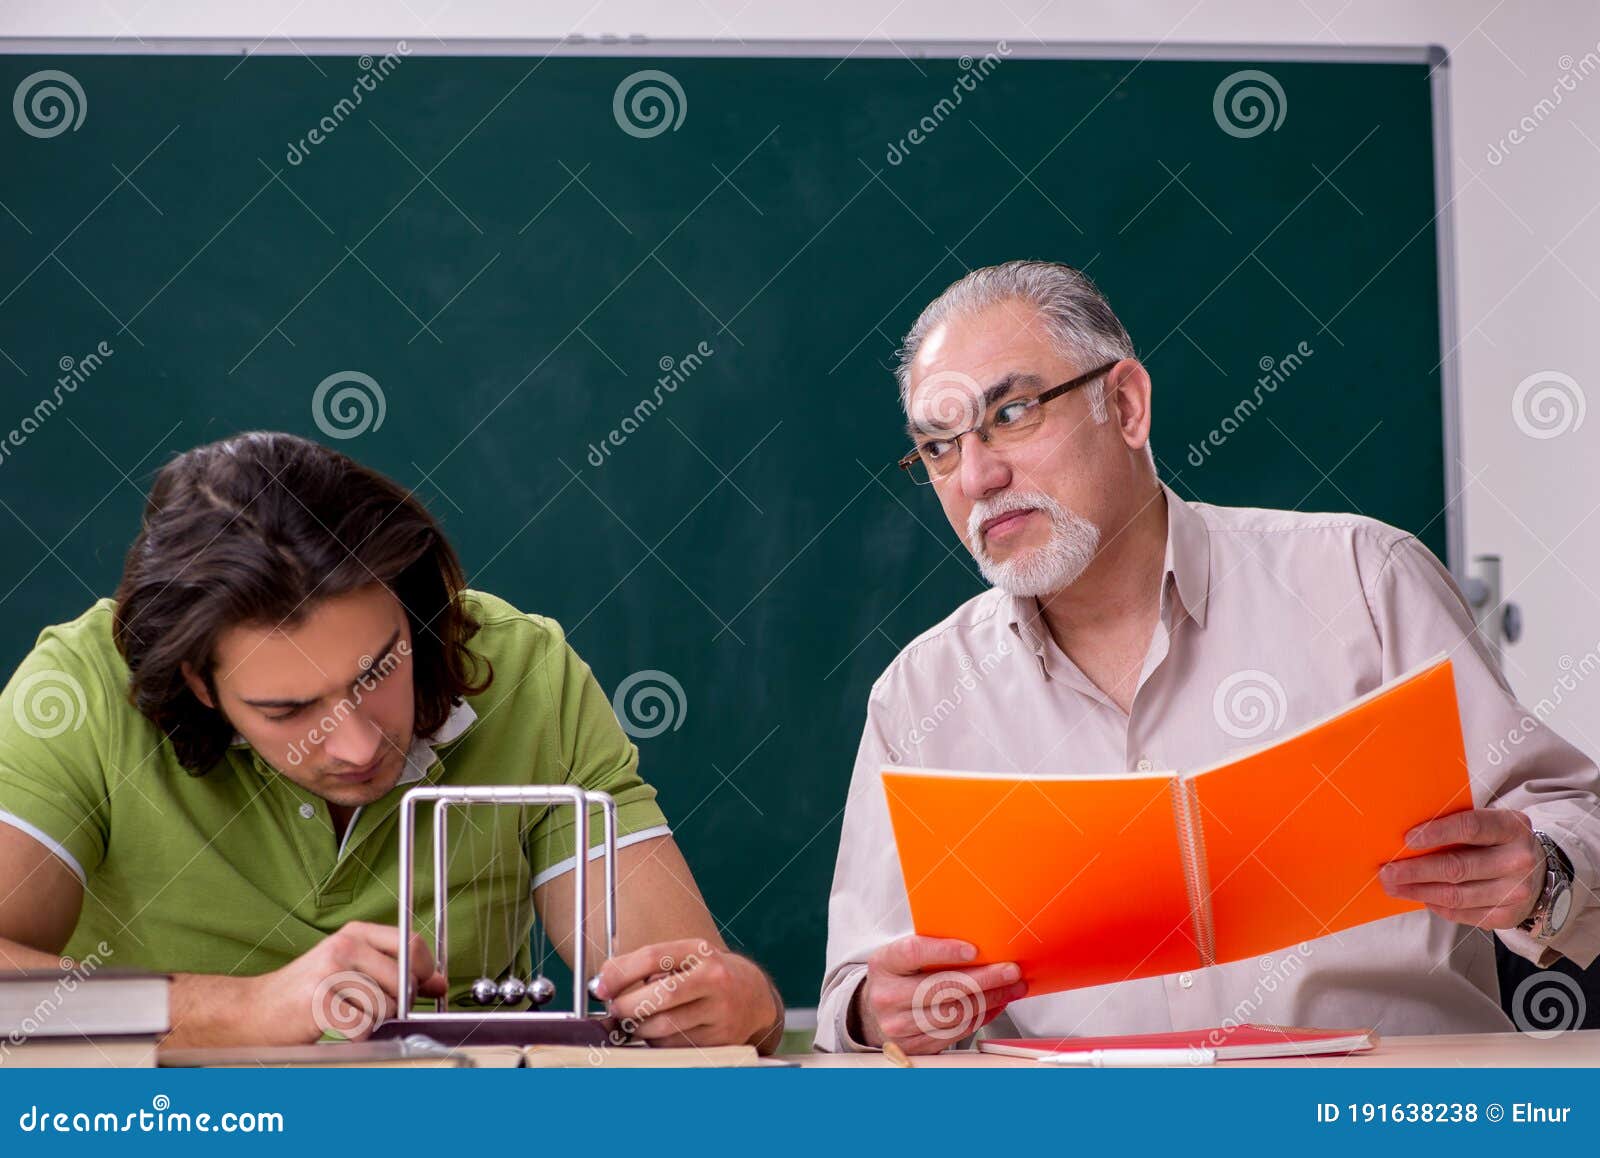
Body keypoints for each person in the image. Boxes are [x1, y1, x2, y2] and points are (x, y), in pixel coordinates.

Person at [817, 259, 1599, 1053]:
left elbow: (1573, 822)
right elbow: (854, 993)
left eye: (1012, 413)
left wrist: (1540, 876)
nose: (978, 476)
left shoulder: (1363, 582)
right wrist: (875, 1012)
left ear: (1125, 406)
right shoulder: (921, 693)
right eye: (939, 448)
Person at [0, 431, 783, 1051]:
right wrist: (252, 1007)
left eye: (379, 669)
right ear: (200, 686)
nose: (356, 745)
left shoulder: (522, 671)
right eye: (289, 709)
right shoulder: (77, 691)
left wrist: (743, 1003)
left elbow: (682, 985)